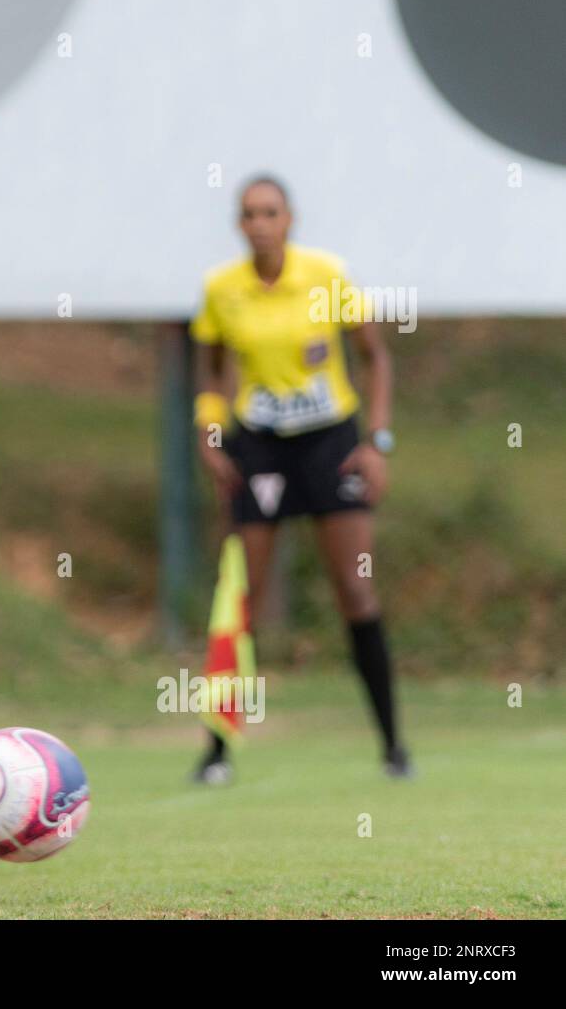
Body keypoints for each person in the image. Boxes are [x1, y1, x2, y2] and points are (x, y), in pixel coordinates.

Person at [190, 175, 410, 783]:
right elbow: (211, 377)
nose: (260, 223)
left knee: (356, 590)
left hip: (330, 441)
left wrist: (378, 441)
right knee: (241, 599)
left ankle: (393, 747)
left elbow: (376, 357)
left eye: (271, 212)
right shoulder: (221, 290)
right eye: (249, 214)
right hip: (259, 446)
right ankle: (217, 753)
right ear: (239, 225)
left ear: (290, 219)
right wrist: (210, 437)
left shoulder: (325, 276)